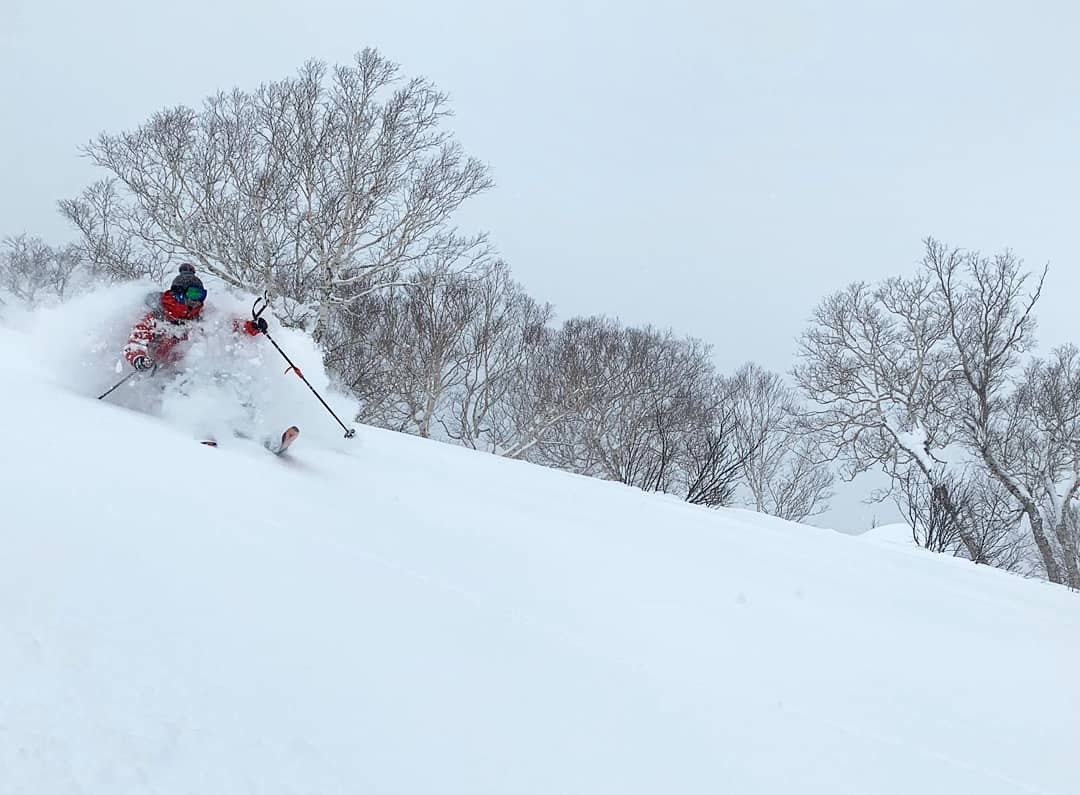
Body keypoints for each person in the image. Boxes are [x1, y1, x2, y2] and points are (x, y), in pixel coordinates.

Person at [124, 264, 267, 372]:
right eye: (193, 294)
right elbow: (135, 342)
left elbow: (229, 325)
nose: (197, 300)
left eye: (201, 295)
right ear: (179, 294)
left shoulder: (202, 314)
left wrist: (252, 327)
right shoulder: (156, 317)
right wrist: (139, 358)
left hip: (189, 370)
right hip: (159, 370)